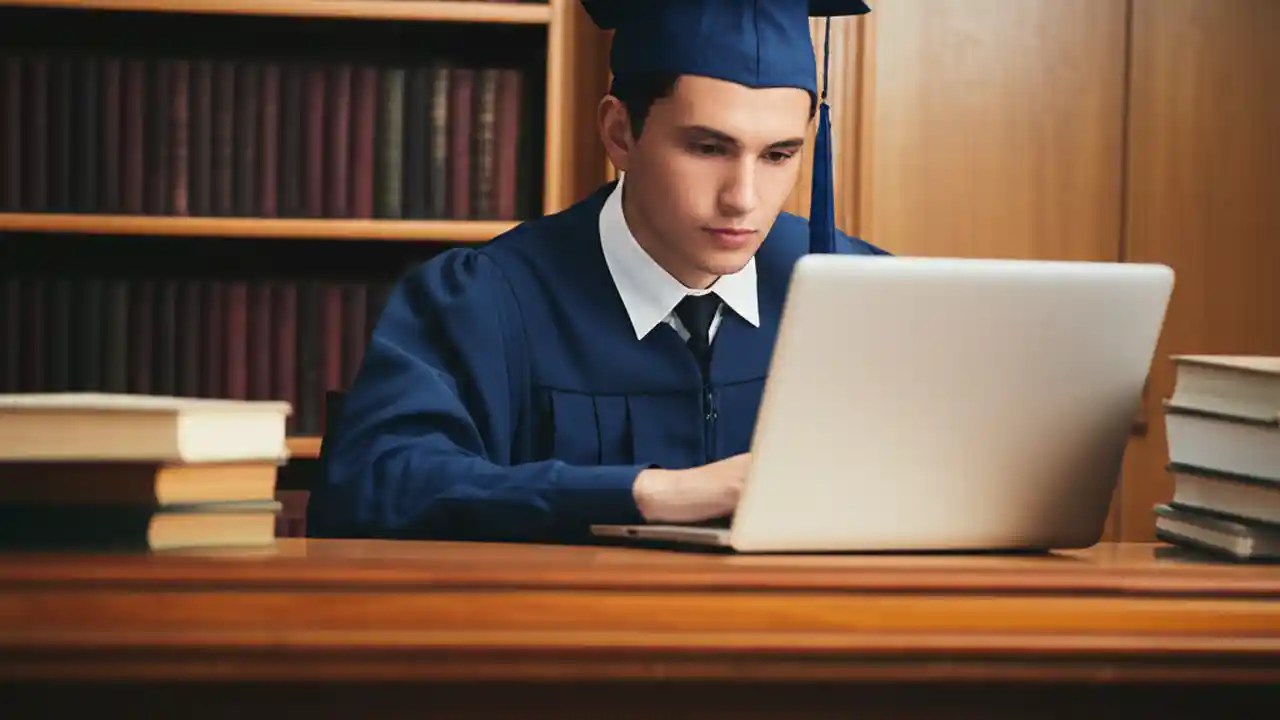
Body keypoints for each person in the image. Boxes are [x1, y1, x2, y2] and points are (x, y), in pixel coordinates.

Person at [307, 0, 890, 542]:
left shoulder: (859, 292)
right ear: (620, 134)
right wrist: (654, 492)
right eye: (708, 148)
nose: (743, 198)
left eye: (778, 155)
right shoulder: (484, 300)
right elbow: (372, 486)